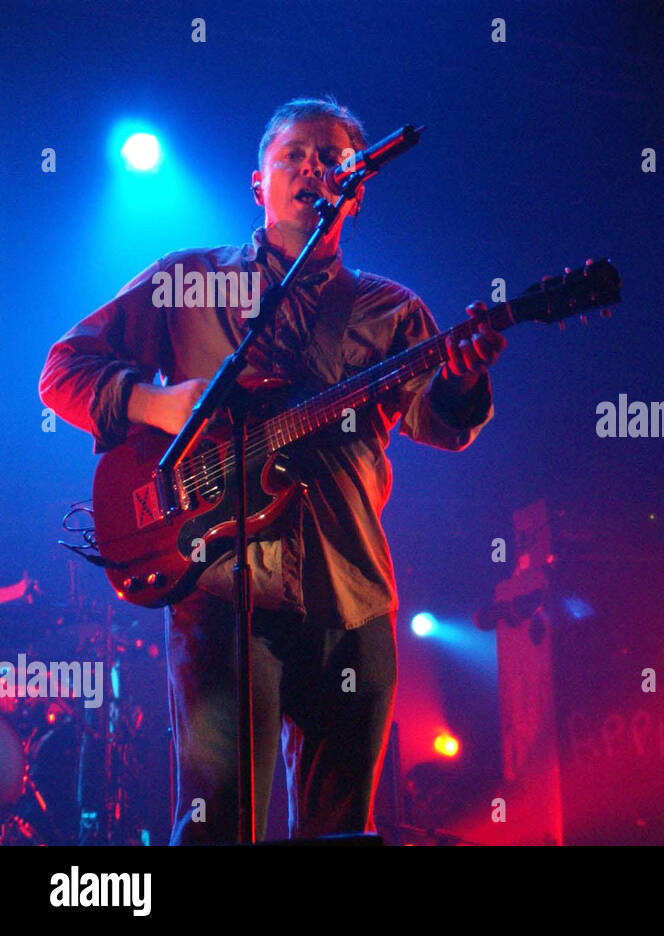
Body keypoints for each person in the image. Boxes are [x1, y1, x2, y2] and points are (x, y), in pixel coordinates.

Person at [38, 97, 506, 843]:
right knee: (218, 827)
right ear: (259, 182)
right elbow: (62, 369)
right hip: (222, 591)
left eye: (331, 157)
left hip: (349, 595)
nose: (314, 168)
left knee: (339, 831)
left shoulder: (390, 310)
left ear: (356, 183)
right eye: (295, 155)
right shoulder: (185, 282)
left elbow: (444, 423)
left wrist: (463, 376)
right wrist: (162, 405)